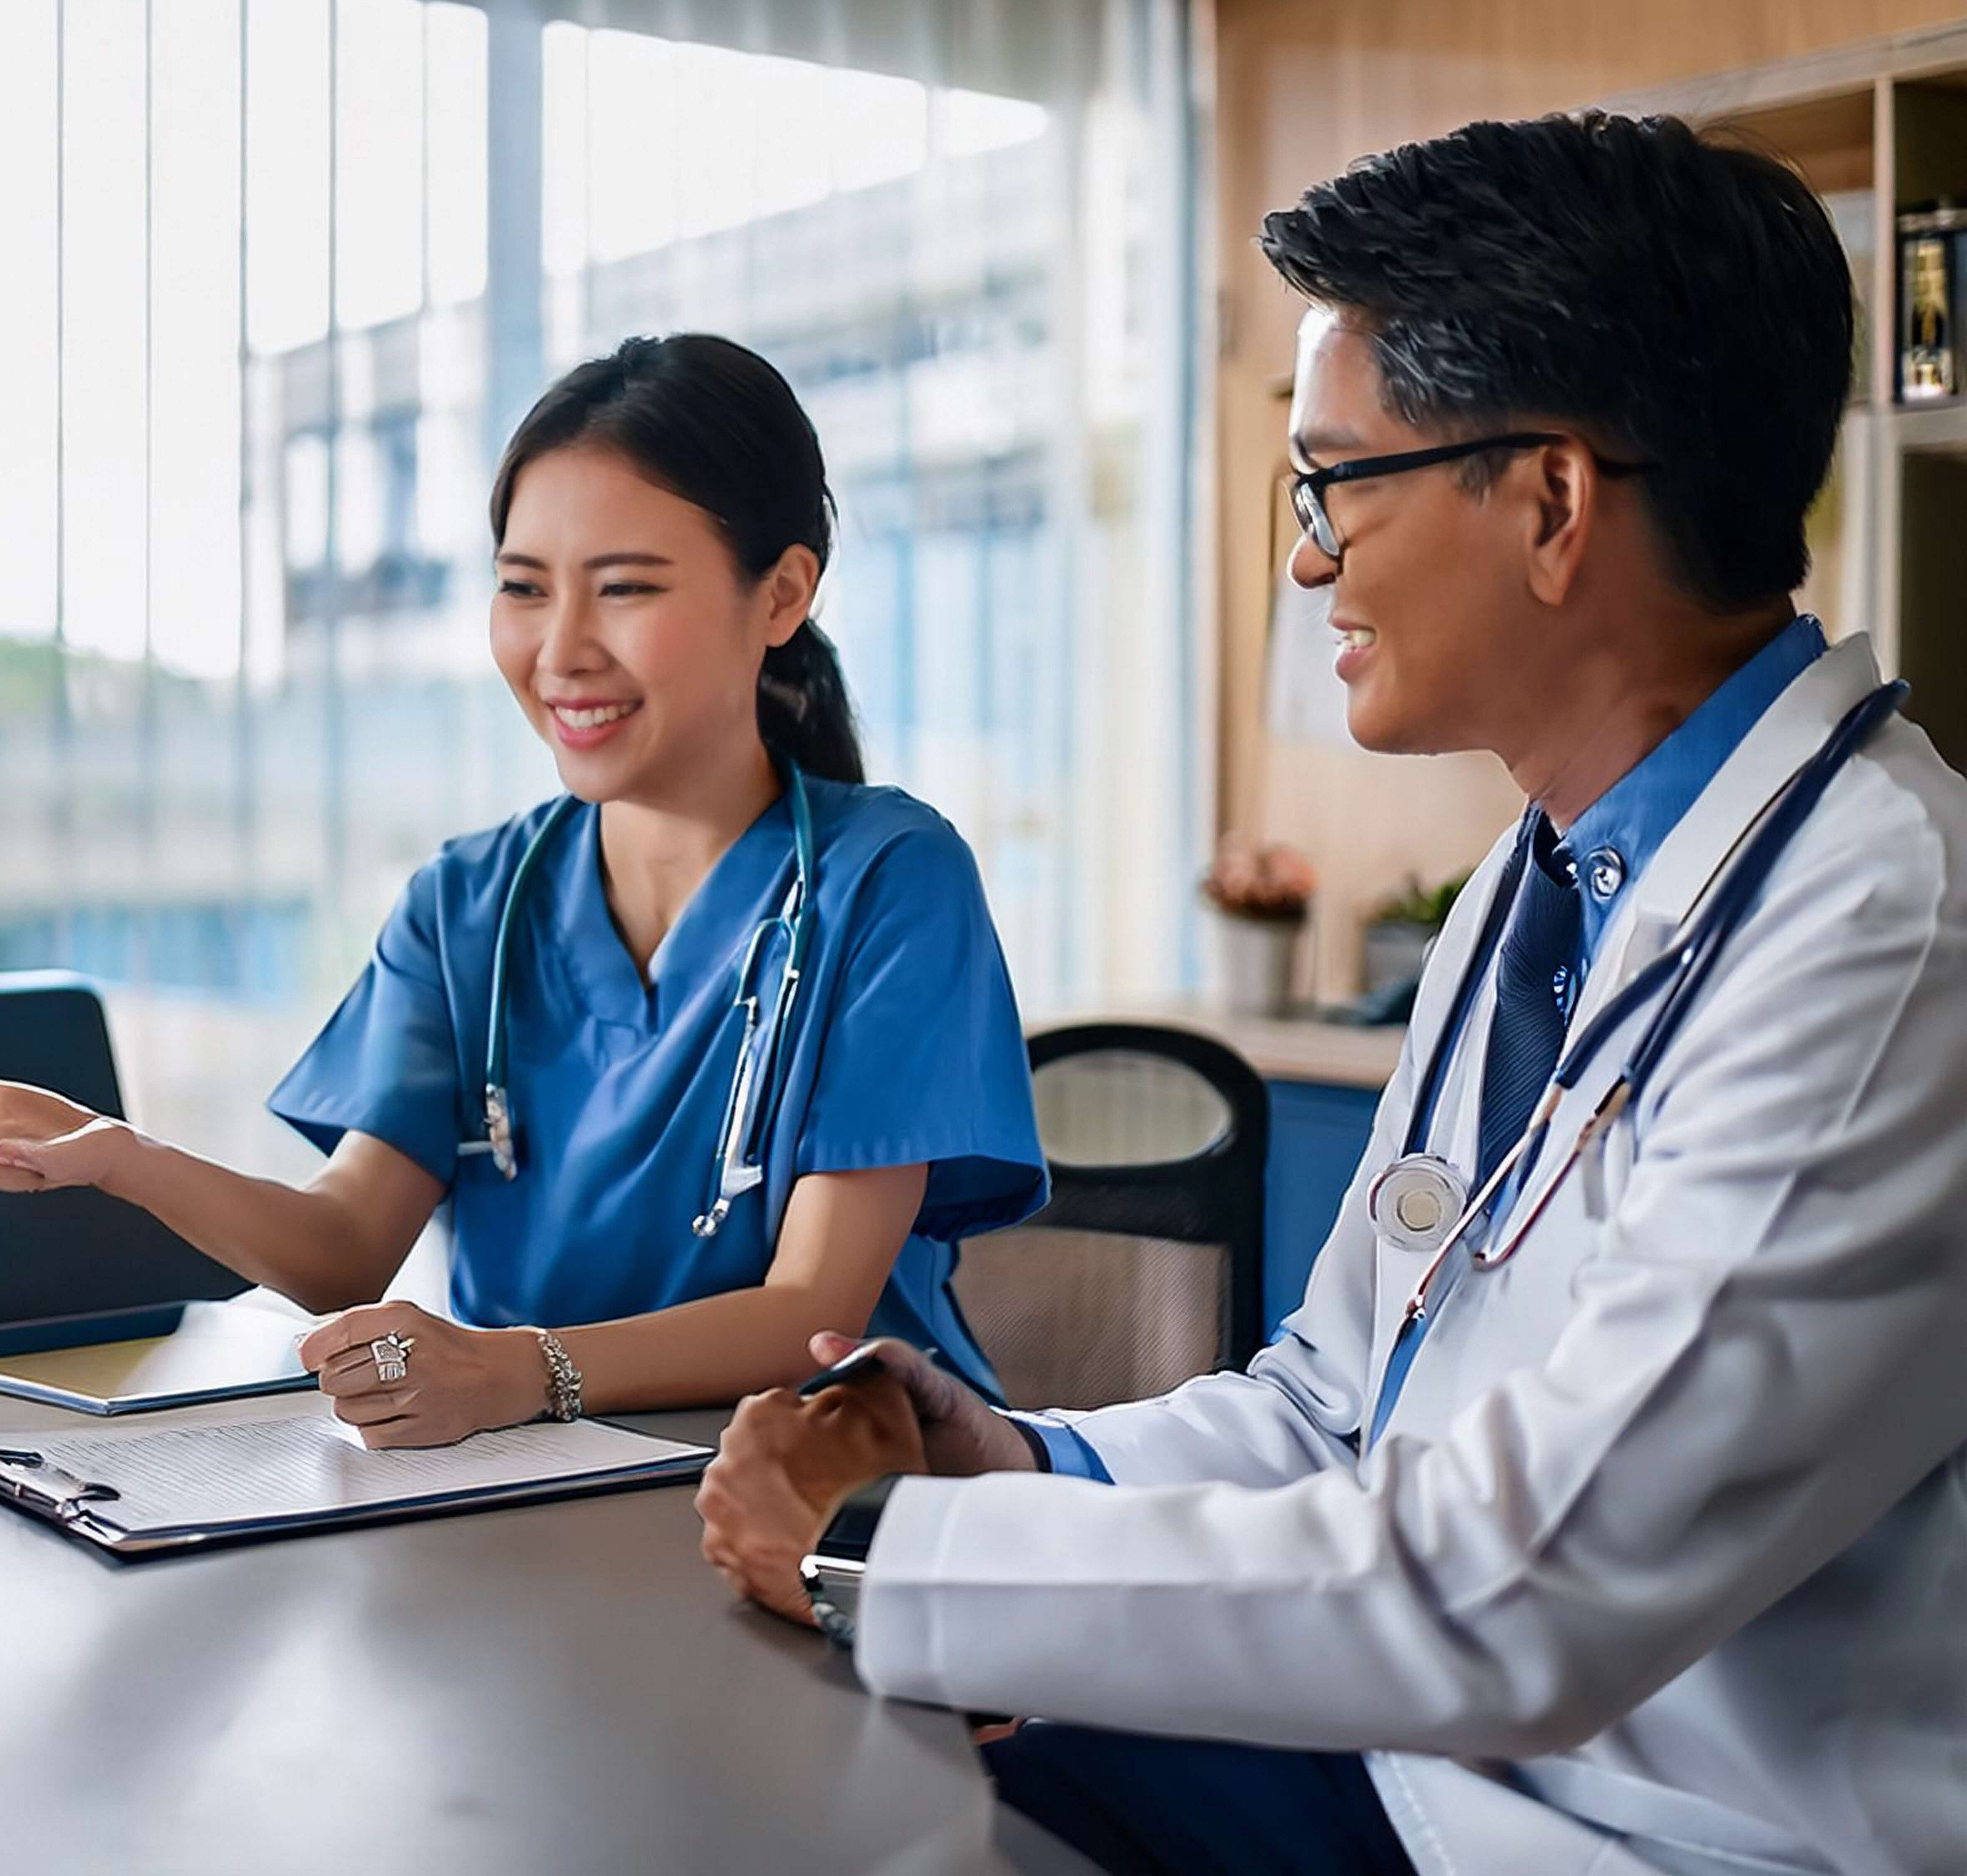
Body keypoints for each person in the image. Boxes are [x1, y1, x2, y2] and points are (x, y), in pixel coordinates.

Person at [694, 113, 1967, 1876]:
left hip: (1651, 1838)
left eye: (1333, 482)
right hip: (1412, 1771)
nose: (1308, 561)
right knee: (806, 1801)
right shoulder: (1553, 883)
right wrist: (1028, 1467)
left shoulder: (1887, 938)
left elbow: (1526, 1590)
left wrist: (888, 1549)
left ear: (1549, 501)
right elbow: (1334, 1401)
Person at [0, 334, 1046, 1449]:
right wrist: (126, 1161)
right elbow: (345, 1247)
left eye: (624, 588)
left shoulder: (891, 881)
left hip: (852, 1494)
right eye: (525, 588)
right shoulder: (471, 903)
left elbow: (813, 1316)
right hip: (548, 1497)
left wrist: (522, 1371)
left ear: (781, 595)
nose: (560, 647)